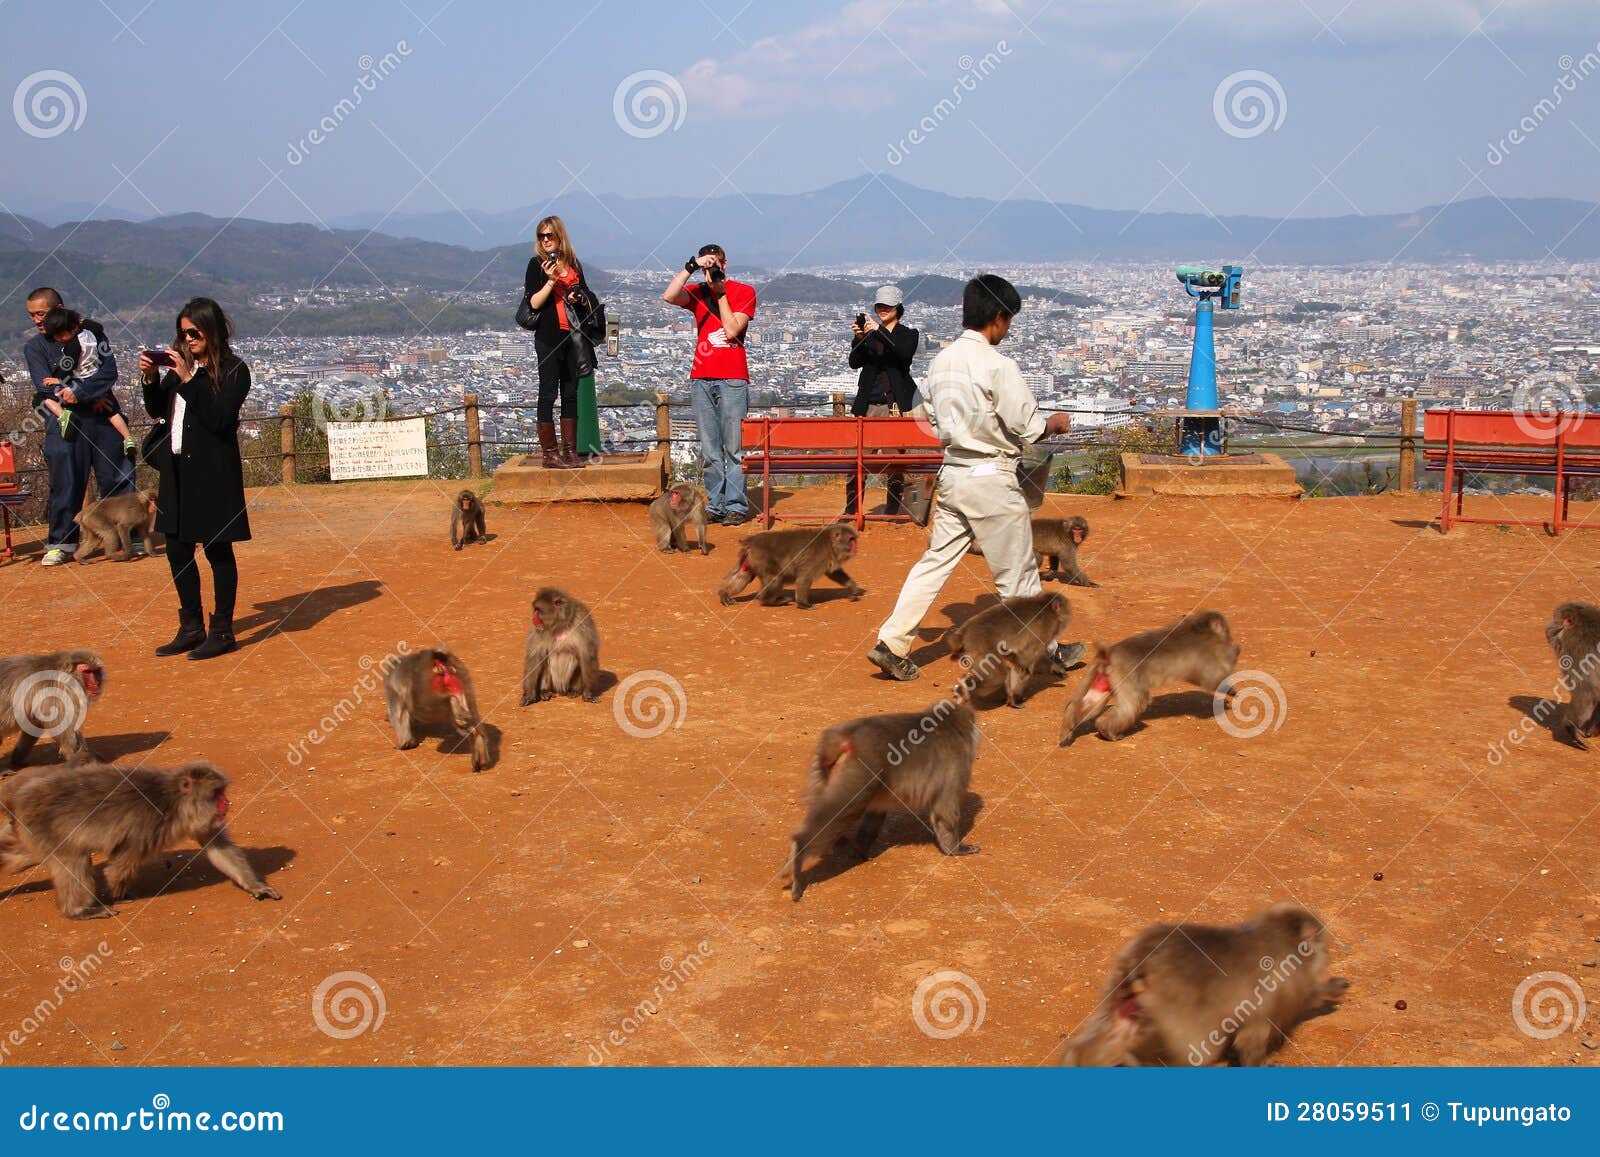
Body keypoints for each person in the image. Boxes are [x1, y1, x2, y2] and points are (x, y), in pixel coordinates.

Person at [867, 274, 1083, 681]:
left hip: (953, 474)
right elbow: (1028, 427)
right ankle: (1047, 652)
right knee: (1018, 573)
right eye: (1009, 321)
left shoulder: (942, 361)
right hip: (992, 479)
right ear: (999, 318)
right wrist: (1055, 423)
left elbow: (925, 416)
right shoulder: (998, 365)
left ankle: (891, 642)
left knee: (934, 564)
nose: (1008, 329)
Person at [138, 298, 252, 661]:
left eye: (194, 332)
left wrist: (189, 378)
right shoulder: (181, 368)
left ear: (212, 330)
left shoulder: (234, 371)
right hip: (176, 471)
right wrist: (150, 378)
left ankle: (222, 630)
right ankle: (190, 627)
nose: (187, 339)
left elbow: (219, 419)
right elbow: (159, 410)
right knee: (176, 548)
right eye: (182, 333)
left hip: (212, 473)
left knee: (218, 549)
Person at [23, 287, 138, 567]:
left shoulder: (93, 334)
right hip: (65, 421)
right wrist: (85, 394)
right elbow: (43, 385)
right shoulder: (35, 347)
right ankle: (62, 542)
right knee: (66, 482)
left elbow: (109, 371)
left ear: (59, 309)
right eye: (32, 316)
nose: (37, 321)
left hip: (102, 416)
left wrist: (84, 393)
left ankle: (128, 535)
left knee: (117, 477)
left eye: (42, 314)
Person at [661, 243, 757, 526]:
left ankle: (736, 504)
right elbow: (669, 295)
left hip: (733, 377)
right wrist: (691, 266)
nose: (710, 271)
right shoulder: (698, 293)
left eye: (715, 265)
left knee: (734, 447)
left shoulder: (744, 292)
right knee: (710, 448)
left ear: (725, 265)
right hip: (702, 377)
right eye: (707, 266)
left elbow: (731, 329)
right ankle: (716, 503)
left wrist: (721, 292)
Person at [522, 215, 594, 468]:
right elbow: (533, 303)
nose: (545, 240)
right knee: (548, 392)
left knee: (571, 393)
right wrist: (551, 280)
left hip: (573, 337)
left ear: (559, 236)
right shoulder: (536, 265)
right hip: (548, 337)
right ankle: (550, 453)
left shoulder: (573, 264)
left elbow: (586, 293)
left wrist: (578, 296)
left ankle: (570, 451)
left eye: (549, 235)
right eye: (541, 236)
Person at [845, 284, 919, 518]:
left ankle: (893, 508)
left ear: (898, 307)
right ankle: (852, 509)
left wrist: (879, 331)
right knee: (856, 460)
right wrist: (859, 338)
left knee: (893, 461)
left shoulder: (908, 334)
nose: (882, 309)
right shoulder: (870, 335)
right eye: (879, 305)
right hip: (866, 404)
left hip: (893, 406)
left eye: (887, 305)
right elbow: (854, 362)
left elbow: (902, 355)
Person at [37, 307, 138, 457]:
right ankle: (128, 438)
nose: (58, 339)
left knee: (44, 399)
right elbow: (98, 327)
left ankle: (63, 415)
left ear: (71, 328)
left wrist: (58, 379)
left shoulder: (73, 345)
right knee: (112, 411)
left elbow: (69, 366)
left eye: (60, 335)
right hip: (95, 379)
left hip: (79, 380)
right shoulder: (90, 334)